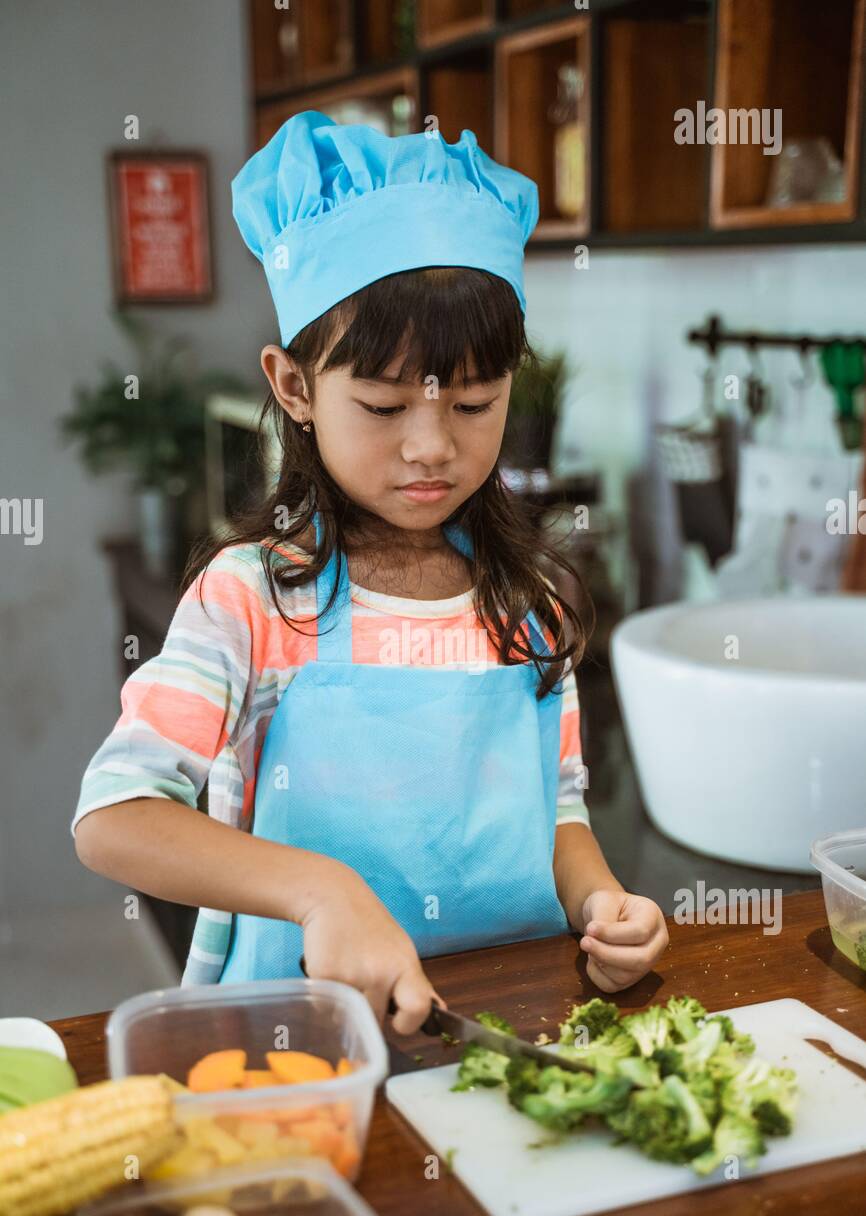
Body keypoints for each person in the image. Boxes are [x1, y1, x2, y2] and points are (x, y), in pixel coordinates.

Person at [73, 112, 668, 1034]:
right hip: (296, 1043)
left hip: (512, 1032)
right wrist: (320, 892)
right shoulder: (254, 598)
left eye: (475, 402)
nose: (432, 446)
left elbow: (556, 813)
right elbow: (115, 816)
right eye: (384, 405)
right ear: (293, 387)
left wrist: (603, 906)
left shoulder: (530, 602)